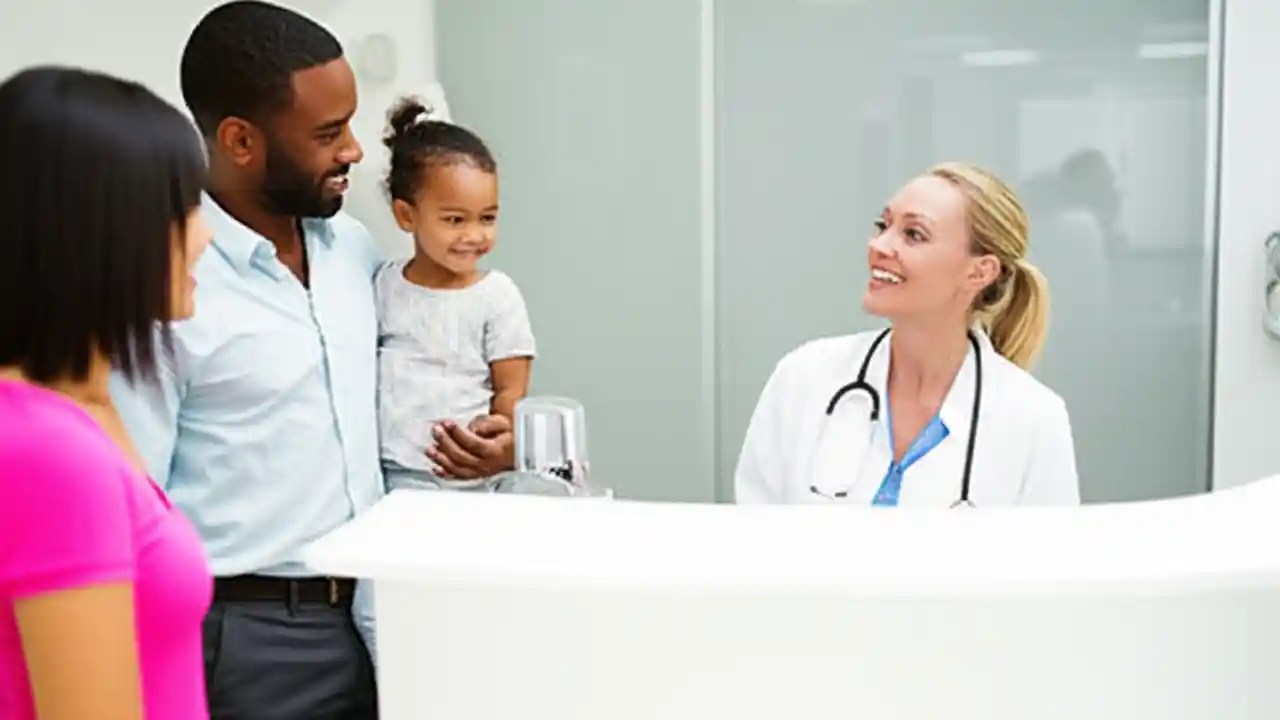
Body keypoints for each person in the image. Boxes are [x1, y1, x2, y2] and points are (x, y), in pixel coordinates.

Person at [109, 1, 515, 716]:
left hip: (382, 609)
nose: (354, 149)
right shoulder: (169, 283)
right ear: (240, 140)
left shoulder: (352, 249)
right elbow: (130, 513)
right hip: (249, 636)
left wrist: (491, 437)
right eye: (329, 133)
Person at [0, 66, 213, 720]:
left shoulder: (82, 411)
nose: (205, 236)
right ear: (105, 230)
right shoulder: (48, 452)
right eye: (185, 208)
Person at [734, 161, 1080, 507]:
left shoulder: (1034, 419)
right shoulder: (803, 379)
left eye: (914, 234)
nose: (879, 246)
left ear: (979, 272)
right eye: (882, 225)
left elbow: (1047, 559)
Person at [377, 97, 536, 492]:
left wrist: (499, 443)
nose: (474, 235)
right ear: (406, 215)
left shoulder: (496, 296)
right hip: (394, 478)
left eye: (487, 218)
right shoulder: (384, 285)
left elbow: (511, 389)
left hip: (475, 477)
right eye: (454, 220)